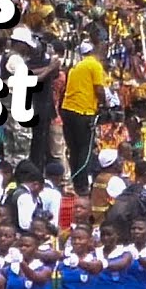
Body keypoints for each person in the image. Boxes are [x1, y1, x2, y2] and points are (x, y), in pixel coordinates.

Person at [60, 41, 108, 193]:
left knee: (73, 148)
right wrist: (104, 105)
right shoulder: (94, 65)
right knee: (84, 150)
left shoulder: (76, 67)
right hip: (83, 112)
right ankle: (81, 186)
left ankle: (75, 181)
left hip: (67, 110)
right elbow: (99, 90)